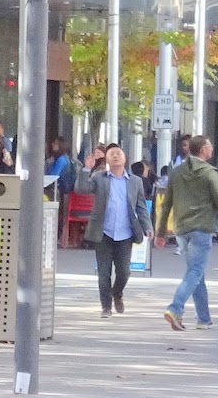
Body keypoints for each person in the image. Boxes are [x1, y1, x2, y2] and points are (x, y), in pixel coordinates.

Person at [75, 144, 151, 318]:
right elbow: (81, 189)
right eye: (111, 154)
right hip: (103, 232)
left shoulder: (135, 181)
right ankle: (106, 307)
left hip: (125, 233)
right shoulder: (99, 178)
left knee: (124, 271)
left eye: (118, 153)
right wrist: (86, 168)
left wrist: (147, 226)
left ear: (124, 158)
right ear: (107, 159)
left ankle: (117, 292)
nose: (115, 156)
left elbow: (140, 207)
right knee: (104, 272)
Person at [157, 134, 218, 330]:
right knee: (195, 271)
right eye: (210, 146)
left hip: (182, 229)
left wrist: (160, 233)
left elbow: (166, 204)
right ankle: (175, 308)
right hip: (201, 228)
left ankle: (203, 319)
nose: (212, 149)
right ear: (202, 150)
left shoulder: (176, 172)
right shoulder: (210, 173)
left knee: (196, 272)